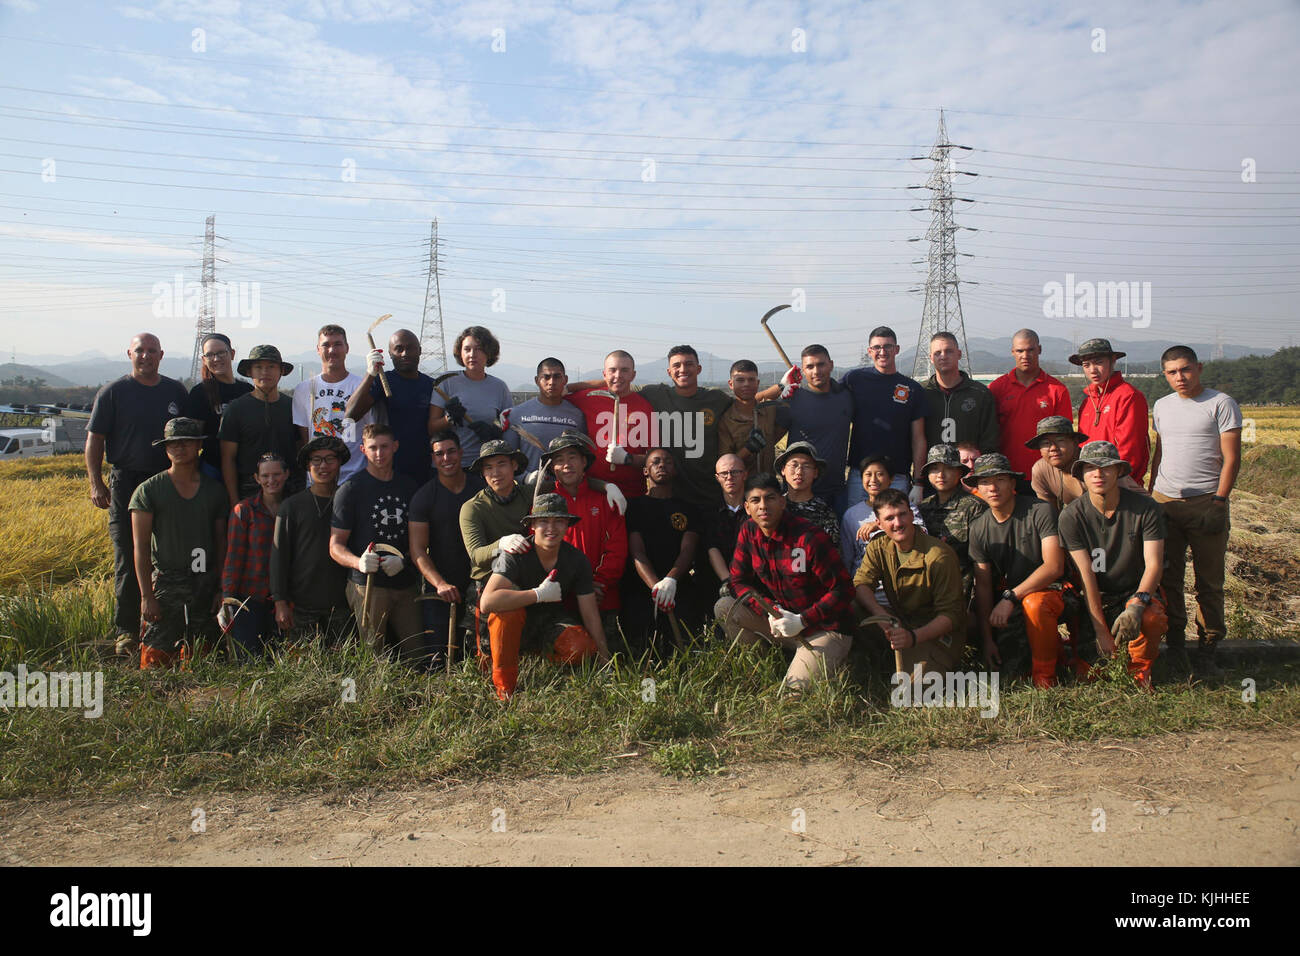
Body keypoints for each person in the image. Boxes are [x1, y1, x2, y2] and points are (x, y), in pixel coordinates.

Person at [86, 332, 190, 658]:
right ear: (129, 354)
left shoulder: (175, 391)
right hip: (127, 482)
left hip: (167, 481)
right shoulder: (113, 392)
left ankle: (171, 625)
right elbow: (95, 440)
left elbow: (188, 437)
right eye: (140, 350)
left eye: (151, 351)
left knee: (172, 555)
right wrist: (96, 483)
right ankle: (127, 631)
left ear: (161, 355)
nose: (145, 356)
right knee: (128, 556)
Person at [714, 474, 854, 694]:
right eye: (755, 500)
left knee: (793, 694)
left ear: (782, 502)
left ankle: (830, 659)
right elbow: (738, 581)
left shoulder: (809, 537)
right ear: (747, 507)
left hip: (823, 627)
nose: (763, 506)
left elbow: (843, 590)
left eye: (770, 498)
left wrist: (803, 620)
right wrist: (770, 610)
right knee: (724, 607)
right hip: (781, 622)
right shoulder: (749, 531)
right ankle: (768, 664)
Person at [1149, 345, 1243, 678]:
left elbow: (1232, 458)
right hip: (1166, 502)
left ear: (1199, 368)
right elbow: (1160, 452)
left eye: (1185, 369)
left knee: (1209, 583)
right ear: (1165, 374)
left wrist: (1219, 500)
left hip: (1206, 501)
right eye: (1172, 372)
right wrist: (1151, 493)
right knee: (1168, 579)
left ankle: (1207, 650)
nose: (1180, 377)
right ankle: (1176, 647)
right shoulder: (1162, 406)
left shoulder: (1221, 403)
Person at [478, 494, 612, 700]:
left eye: (559, 521)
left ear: (567, 525)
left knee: (581, 648)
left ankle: (537, 659)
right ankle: (505, 689)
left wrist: (605, 659)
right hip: (516, 622)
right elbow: (487, 602)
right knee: (506, 615)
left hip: (550, 622)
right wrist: (537, 594)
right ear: (532, 525)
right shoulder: (515, 554)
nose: (551, 528)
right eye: (543, 521)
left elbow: (590, 613)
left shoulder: (577, 560)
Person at [1058, 441, 1168, 687]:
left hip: (1133, 590)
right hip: (1094, 596)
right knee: (1090, 675)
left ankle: (1140, 672)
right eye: (1090, 468)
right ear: (1081, 474)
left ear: (1119, 471)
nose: (1098, 474)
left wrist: (1137, 604)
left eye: (1106, 467)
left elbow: (1154, 564)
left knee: (1150, 618)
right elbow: (1086, 575)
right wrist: (1100, 631)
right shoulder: (1071, 516)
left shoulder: (1146, 508)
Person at [128, 417, 229, 669]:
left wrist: (220, 587)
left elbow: (221, 543)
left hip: (204, 583)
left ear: (199, 446)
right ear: (165, 448)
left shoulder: (215, 491)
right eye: (173, 443)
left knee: (205, 660)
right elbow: (140, 547)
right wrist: (146, 596)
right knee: (156, 660)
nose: (179, 448)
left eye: (186, 442)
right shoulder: (148, 491)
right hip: (166, 584)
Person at [966, 454, 1069, 687]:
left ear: (1012, 483)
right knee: (1008, 673)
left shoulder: (1040, 510)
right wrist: (987, 640)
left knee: (1035, 604)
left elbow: (1054, 566)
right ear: (978, 488)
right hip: (1011, 603)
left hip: (1053, 591)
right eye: (985, 482)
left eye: (1000, 480)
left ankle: (1045, 678)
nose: (992, 488)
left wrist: (1011, 597)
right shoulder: (979, 528)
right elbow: (983, 586)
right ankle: (1052, 648)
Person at [329, 424, 423, 661]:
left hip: (405, 582)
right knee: (373, 654)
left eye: (384, 447)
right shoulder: (350, 490)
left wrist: (405, 561)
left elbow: (422, 539)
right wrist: (358, 562)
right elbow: (335, 545)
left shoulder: (409, 486)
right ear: (363, 450)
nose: (379, 453)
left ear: (395, 447)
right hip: (368, 586)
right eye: (373, 448)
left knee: (418, 653)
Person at [853, 488, 966, 676]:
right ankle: (873, 660)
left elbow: (950, 616)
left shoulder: (939, 557)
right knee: (852, 606)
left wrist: (912, 638)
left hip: (934, 633)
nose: (898, 523)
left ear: (912, 515)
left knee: (916, 688)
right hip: (901, 623)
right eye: (890, 518)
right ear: (879, 523)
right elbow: (861, 584)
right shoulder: (878, 546)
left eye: (902, 514)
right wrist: (881, 615)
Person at [530, 432, 627, 623]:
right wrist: (566, 585)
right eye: (559, 460)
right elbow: (537, 549)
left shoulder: (606, 499)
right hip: (558, 600)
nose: (567, 464)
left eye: (572, 457)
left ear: (584, 461)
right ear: (552, 467)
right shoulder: (542, 503)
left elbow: (618, 548)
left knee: (605, 642)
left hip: (602, 598)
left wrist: (598, 583)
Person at [409, 429, 485, 667]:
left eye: (451, 452)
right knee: (436, 658)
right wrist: (440, 583)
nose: (446, 458)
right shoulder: (424, 497)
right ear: (433, 459)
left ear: (461, 453)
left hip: (478, 584)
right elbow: (417, 550)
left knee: (475, 655)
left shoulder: (480, 489)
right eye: (439, 454)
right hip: (440, 587)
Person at [271, 437, 354, 646]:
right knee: (303, 663)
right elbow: (279, 557)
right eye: (316, 460)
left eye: (329, 459)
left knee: (345, 662)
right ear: (308, 466)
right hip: (301, 607)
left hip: (343, 605)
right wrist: (280, 602)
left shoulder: (350, 501)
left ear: (339, 463)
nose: (323, 466)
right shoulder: (292, 506)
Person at [458, 439, 534, 661]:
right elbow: (476, 555)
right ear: (482, 473)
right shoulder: (473, 508)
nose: (495, 473)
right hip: (487, 584)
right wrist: (501, 544)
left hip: (527, 579)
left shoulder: (530, 494)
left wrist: (604, 486)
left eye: (501, 464)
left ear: (514, 466)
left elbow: (567, 484)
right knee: (486, 653)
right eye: (488, 467)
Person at [633, 345, 733, 514]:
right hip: (670, 498)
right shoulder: (656, 394)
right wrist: (580, 386)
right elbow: (619, 384)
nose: (683, 369)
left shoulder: (716, 398)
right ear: (669, 372)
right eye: (676, 365)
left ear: (698, 368)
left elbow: (745, 403)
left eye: (688, 364)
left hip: (709, 497)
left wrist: (778, 388)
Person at [622, 447, 703, 654]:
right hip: (642, 587)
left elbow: (688, 549)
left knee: (685, 646)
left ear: (675, 470)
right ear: (645, 471)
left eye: (668, 462)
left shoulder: (689, 508)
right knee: (641, 649)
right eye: (655, 462)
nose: (662, 465)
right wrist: (657, 589)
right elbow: (637, 552)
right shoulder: (633, 506)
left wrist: (670, 581)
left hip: (678, 585)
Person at [841, 327, 927, 512]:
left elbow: (918, 438)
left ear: (897, 349)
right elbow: (828, 397)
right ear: (869, 351)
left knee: (895, 525)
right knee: (857, 523)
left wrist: (919, 482)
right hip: (861, 475)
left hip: (897, 476)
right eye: (877, 347)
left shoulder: (912, 389)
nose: (882, 352)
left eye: (888, 346)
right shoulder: (854, 379)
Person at [759, 344, 853, 511]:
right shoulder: (792, 399)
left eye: (821, 364)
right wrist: (779, 387)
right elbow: (747, 406)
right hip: (799, 492)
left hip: (836, 490)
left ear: (831, 365)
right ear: (802, 370)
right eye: (810, 367)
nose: (816, 371)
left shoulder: (846, 397)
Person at [345, 328, 436, 485]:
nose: (404, 353)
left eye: (410, 348)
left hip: (424, 470)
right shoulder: (382, 381)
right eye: (398, 349)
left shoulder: (431, 385)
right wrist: (370, 373)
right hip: (389, 471)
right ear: (390, 354)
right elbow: (350, 416)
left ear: (420, 350)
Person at [221, 452, 288, 655]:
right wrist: (227, 600)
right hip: (249, 598)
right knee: (249, 660)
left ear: (286, 474)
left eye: (276, 474)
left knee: (282, 659)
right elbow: (233, 558)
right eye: (265, 476)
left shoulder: (293, 508)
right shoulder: (244, 510)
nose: (271, 480)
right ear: (257, 478)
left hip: (284, 599)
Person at [567, 349, 655, 502]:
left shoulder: (645, 408)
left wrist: (628, 458)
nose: (618, 375)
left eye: (624, 370)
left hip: (633, 494)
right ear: (604, 374)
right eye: (612, 370)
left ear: (633, 375)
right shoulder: (588, 397)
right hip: (594, 491)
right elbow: (559, 393)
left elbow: (654, 457)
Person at [219, 344, 299, 507]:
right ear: (249, 372)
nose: (265, 372)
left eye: (271, 366)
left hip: (289, 491)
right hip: (249, 491)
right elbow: (228, 459)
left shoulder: (294, 406)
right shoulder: (236, 409)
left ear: (281, 371)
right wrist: (234, 501)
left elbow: (300, 449)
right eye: (258, 367)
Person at [293, 324, 371, 486]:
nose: (332, 350)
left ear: (347, 348)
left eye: (337, 344)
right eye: (326, 345)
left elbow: (370, 434)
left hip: (354, 480)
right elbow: (304, 439)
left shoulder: (363, 387)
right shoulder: (303, 389)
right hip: (317, 482)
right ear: (318, 349)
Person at [428, 325, 518, 466]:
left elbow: (510, 426)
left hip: (485, 467)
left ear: (489, 352)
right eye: (467, 349)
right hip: (450, 466)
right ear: (460, 352)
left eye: (479, 349)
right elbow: (431, 428)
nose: (472, 354)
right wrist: (448, 419)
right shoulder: (447, 382)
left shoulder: (499, 387)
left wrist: (494, 433)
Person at [988, 329, 1072, 476]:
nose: (1025, 356)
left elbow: (1065, 438)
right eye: (1020, 351)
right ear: (1013, 352)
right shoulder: (996, 388)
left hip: (1046, 475)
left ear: (1039, 350)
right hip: (1006, 474)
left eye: (1030, 350)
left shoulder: (1057, 390)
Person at [1071, 338, 1150, 483]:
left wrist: (1115, 481)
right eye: (1086, 365)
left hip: (1121, 483)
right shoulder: (1088, 402)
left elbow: (1130, 449)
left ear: (1112, 361)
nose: (1092, 370)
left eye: (1099, 362)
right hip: (1092, 482)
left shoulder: (1128, 396)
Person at [917, 444, 986, 600]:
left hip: (963, 591)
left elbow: (982, 562)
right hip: (927, 588)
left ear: (959, 472)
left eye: (948, 468)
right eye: (935, 469)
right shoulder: (922, 508)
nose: (941, 475)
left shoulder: (974, 507)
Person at [841, 454, 927, 577]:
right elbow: (847, 557)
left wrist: (880, 525)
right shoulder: (851, 515)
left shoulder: (906, 506)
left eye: (880, 474)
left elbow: (922, 535)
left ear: (891, 479)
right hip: (864, 581)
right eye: (868, 474)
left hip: (902, 578)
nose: (873, 480)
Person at [184, 332, 251, 480]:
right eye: (210, 355)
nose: (216, 359)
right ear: (203, 359)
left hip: (247, 469)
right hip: (213, 470)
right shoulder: (199, 393)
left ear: (232, 354)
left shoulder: (246, 390)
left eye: (221, 353)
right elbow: (193, 438)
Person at [921, 332, 1000, 454]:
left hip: (969, 465)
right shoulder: (921, 392)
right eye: (937, 353)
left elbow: (989, 440)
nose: (943, 356)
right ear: (931, 358)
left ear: (959, 354)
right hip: (932, 466)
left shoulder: (980, 394)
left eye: (949, 351)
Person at [510, 357, 586, 476]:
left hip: (566, 486)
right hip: (530, 486)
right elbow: (508, 458)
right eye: (546, 377)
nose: (551, 382)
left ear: (565, 380)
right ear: (536, 380)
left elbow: (583, 457)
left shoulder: (577, 416)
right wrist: (525, 478)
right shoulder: (518, 413)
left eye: (557, 377)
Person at [717, 359, 789, 475]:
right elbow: (726, 464)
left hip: (769, 481)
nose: (746, 384)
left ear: (757, 383)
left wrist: (787, 388)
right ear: (731, 384)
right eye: (740, 380)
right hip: (742, 483)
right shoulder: (726, 421)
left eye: (751, 380)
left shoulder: (769, 410)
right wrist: (748, 449)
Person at [776, 441, 839, 546]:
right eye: (794, 465)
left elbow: (833, 552)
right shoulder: (774, 507)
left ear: (815, 473)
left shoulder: (824, 513)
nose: (799, 472)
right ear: (783, 470)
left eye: (806, 466)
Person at [706, 453, 749, 598]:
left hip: (751, 581)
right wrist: (727, 581)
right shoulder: (710, 511)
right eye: (724, 473)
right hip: (718, 583)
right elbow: (712, 547)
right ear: (717, 477)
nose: (729, 477)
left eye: (735, 472)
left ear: (745, 474)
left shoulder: (756, 508)